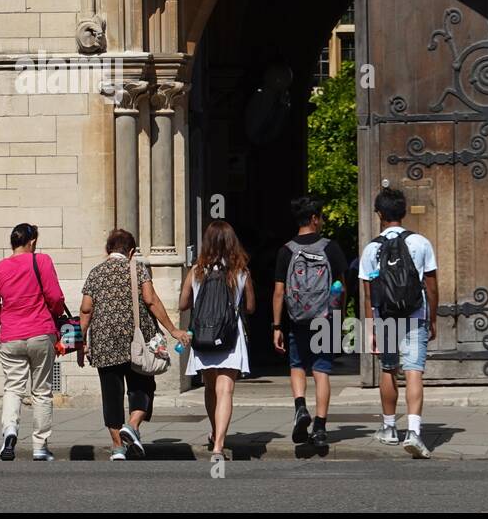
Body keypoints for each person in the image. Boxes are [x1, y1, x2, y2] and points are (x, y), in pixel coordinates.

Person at [80, 229, 189, 461]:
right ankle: (132, 425)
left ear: (107, 250)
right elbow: (151, 300)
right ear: (131, 252)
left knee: (112, 395)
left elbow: (86, 310)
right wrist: (173, 329)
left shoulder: (95, 273)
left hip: (104, 344)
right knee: (143, 387)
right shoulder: (137, 268)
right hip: (136, 343)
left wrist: (80, 344)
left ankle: (118, 448)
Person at [360, 188, 439, 459]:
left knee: (388, 368)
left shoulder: (371, 248)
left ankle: (389, 428)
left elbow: (369, 293)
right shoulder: (421, 243)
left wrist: (371, 328)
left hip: (386, 317)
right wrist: (432, 318)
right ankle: (414, 432)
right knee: (414, 371)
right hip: (415, 314)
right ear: (403, 212)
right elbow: (431, 285)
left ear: (380, 214)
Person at [273, 195, 348, 452]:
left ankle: (300, 406)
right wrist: (339, 316)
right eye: (322, 216)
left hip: (297, 319)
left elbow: (279, 292)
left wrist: (276, 327)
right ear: (314, 219)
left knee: (297, 365)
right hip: (324, 317)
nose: (323, 220)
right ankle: (320, 428)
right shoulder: (330, 247)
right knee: (321, 370)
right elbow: (340, 287)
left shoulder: (286, 250)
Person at [0, 223, 64, 462]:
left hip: (10, 336)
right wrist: (54, 315)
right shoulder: (42, 261)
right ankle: (40, 446)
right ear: (31, 242)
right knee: (41, 391)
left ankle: (10, 431)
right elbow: (55, 297)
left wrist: (8, 320)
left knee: (13, 388)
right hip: (41, 332)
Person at [180, 219, 255, 461]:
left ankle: (214, 431)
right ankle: (218, 446)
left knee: (211, 388)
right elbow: (251, 307)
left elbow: (182, 305)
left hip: (204, 336)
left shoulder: (196, 271)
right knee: (226, 390)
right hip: (230, 337)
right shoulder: (241, 272)